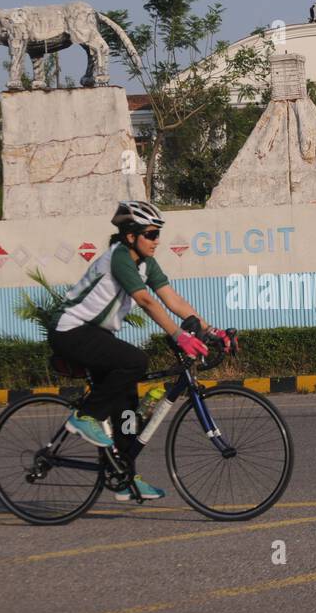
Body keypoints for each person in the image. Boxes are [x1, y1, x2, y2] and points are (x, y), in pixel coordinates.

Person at [49, 200, 237, 502]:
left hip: (95, 334)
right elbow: (147, 301)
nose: (156, 240)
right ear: (130, 236)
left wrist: (211, 331)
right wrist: (178, 336)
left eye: (158, 233)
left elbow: (172, 300)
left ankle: (125, 477)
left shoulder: (146, 263)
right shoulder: (119, 257)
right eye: (150, 234)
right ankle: (84, 417)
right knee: (136, 361)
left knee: (126, 407)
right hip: (71, 330)